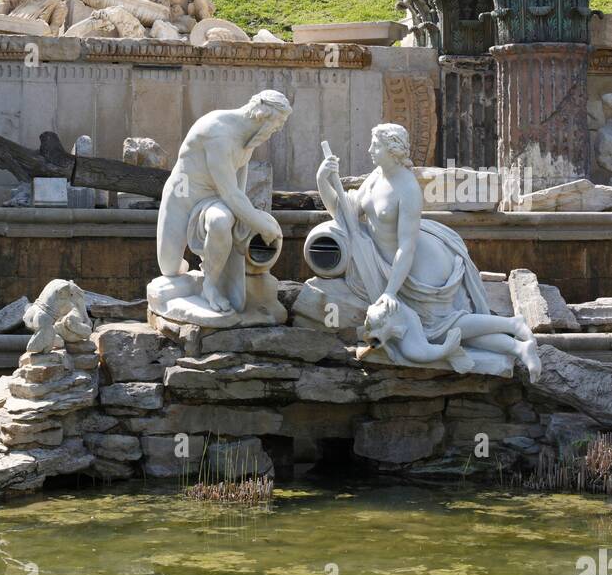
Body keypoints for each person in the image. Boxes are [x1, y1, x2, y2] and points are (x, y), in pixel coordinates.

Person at [316, 123, 541, 379]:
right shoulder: (377, 176)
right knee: (439, 333)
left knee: (440, 327)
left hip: (419, 266)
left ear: (393, 150)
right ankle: (518, 346)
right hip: (388, 262)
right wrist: (322, 180)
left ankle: (513, 325)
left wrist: (390, 291)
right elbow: (344, 214)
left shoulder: (407, 188)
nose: (369, 150)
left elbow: (407, 246)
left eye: (375, 145)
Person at [156, 90, 291, 315]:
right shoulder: (217, 132)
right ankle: (196, 271)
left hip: (213, 199)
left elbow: (237, 192)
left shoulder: (249, 138)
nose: (275, 132)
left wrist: (247, 221)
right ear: (262, 116)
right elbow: (231, 194)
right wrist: (262, 225)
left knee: (220, 220)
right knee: (169, 269)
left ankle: (210, 283)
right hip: (183, 198)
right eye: (276, 125)